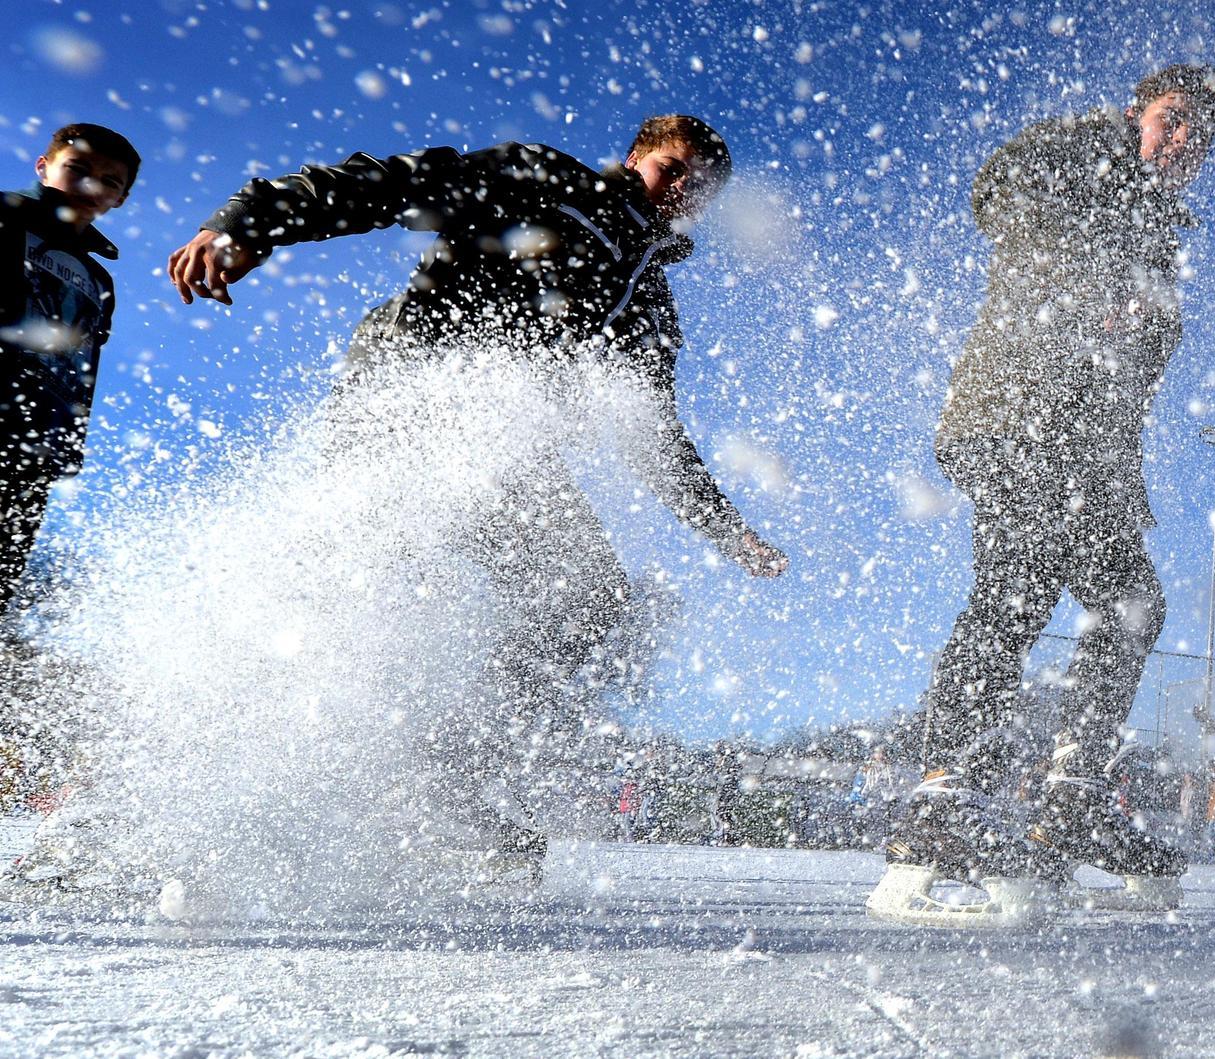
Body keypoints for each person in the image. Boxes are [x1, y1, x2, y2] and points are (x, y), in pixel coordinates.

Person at [167, 115, 787, 872]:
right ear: (635, 158)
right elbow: (392, 186)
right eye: (673, 167)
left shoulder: (648, 299)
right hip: (410, 393)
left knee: (589, 599)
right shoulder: (548, 184)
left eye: (704, 187)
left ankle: (442, 779)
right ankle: (196, 757)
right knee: (356, 573)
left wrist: (727, 530)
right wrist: (249, 225)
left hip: (501, 440)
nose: (685, 189)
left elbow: (650, 432)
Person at [867, 65, 1215, 927]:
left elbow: (1142, 350)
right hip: (1014, 412)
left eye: (1198, 138)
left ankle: (1071, 798)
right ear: (1137, 114)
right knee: (1017, 582)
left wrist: (1136, 322)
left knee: (1133, 603)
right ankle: (937, 806)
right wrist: (1084, 279)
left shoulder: (1160, 228)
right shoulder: (1081, 149)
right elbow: (995, 190)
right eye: (1170, 122)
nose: (1181, 144)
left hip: (1090, 454)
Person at [2, 124, 141, 623]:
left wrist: (67, 443)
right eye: (76, 169)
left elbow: (84, 363)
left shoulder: (99, 279)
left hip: (34, 447)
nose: (89, 187)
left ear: (120, 199)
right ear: (44, 167)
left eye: (108, 181)